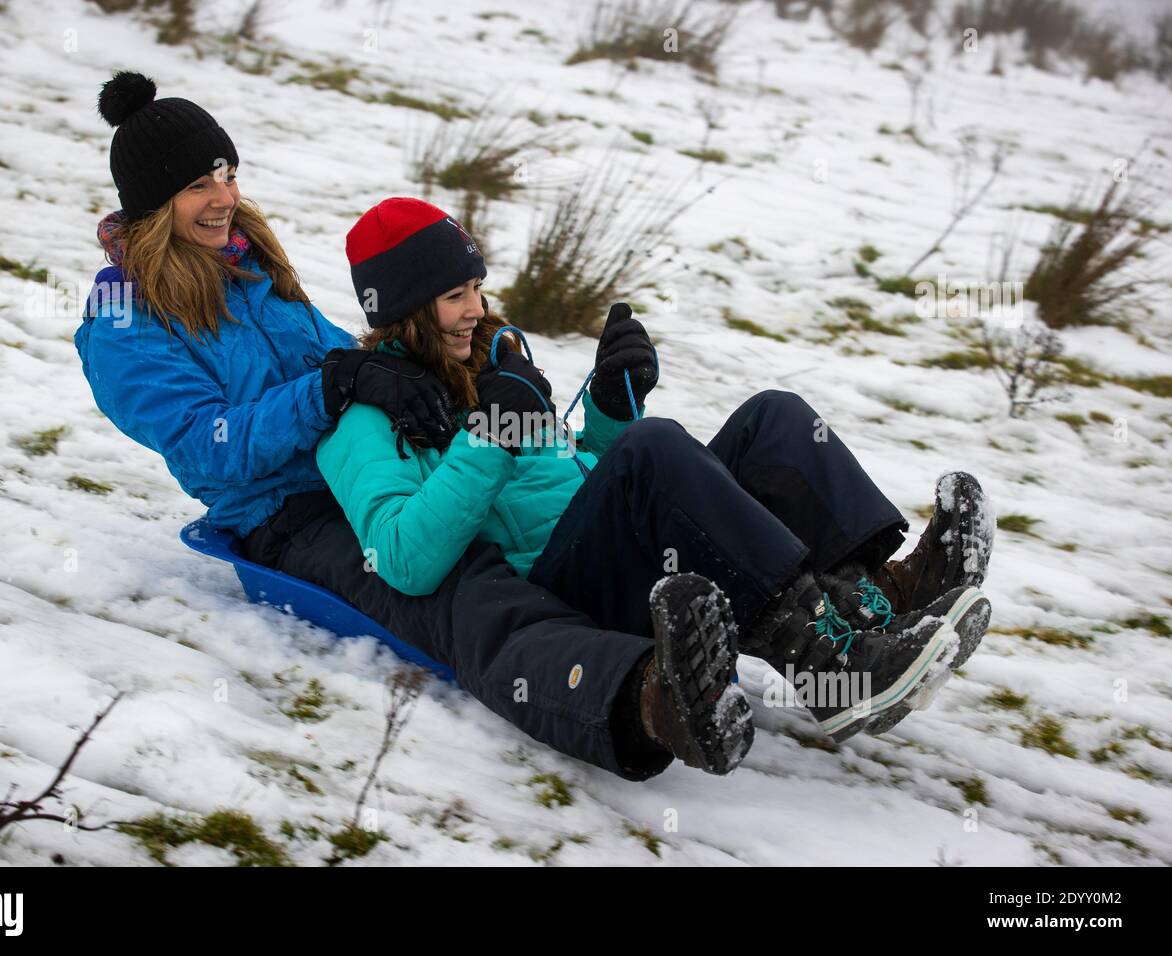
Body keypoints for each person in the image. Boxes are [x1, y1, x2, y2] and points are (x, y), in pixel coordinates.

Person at [74, 70, 710, 783]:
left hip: (365, 458)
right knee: (456, 584)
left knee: (506, 504)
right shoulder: (124, 324)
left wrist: (430, 371)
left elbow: (337, 359)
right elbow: (206, 446)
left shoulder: (249, 267)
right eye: (198, 185)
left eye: (227, 173)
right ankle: (639, 699)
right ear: (156, 205)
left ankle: (680, 610)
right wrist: (335, 386)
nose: (224, 196)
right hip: (292, 513)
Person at [313, 196, 997, 775]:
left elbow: (568, 471)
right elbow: (400, 558)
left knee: (773, 419)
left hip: (602, 542)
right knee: (655, 450)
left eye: (476, 288)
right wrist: (488, 436)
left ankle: (878, 603)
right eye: (454, 295)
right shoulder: (363, 423)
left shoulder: (490, 363)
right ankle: (829, 667)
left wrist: (612, 403)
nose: (475, 307)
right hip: (565, 591)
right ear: (402, 309)